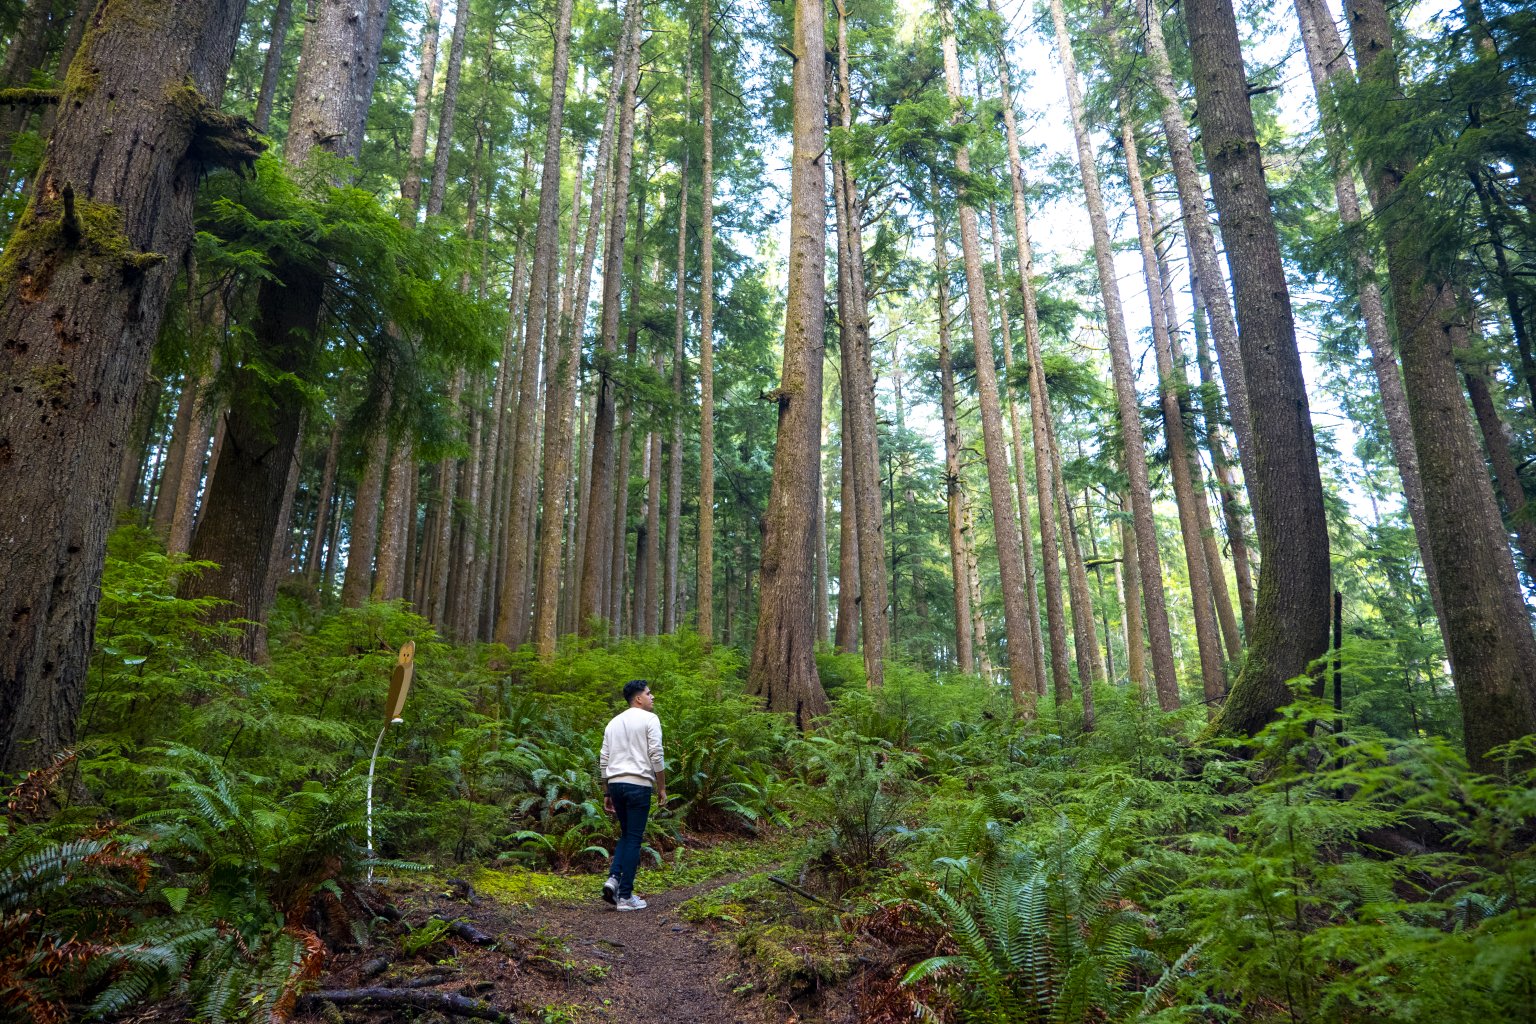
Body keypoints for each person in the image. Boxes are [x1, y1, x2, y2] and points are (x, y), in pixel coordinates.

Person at [598, 679, 666, 911]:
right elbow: (656, 754)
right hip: (638, 785)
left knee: (627, 834)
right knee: (635, 837)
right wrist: (662, 787)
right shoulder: (650, 719)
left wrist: (607, 790)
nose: (652, 697)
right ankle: (626, 897)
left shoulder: (613, 723)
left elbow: (604, 759)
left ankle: (614, 879)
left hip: (616, 784)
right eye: (649, 693)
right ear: (638, 698)